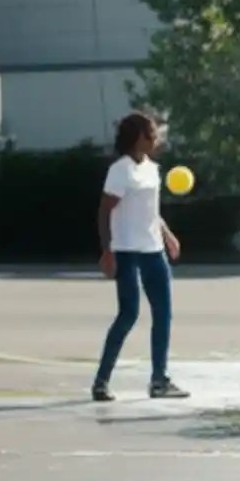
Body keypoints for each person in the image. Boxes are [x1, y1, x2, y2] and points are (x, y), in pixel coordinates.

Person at [92, 112, 188, 402]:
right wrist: (107, 251)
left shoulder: (152, 169)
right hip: (127, 250)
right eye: (151, 134)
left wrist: (167, 234)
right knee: (128, 314)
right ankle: (101, 381)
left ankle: (159, 379)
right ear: (138, 137)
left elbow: (151, 210)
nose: (156, 139)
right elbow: (105, 211)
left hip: (153, 250)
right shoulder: (120, 170)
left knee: (163, 314)